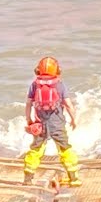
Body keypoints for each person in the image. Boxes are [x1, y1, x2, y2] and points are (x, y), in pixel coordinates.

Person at [23, 55, 81, 187]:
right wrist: (73, 120)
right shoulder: (59, 85)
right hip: (57, 124)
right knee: (65, 149)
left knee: (35, 150)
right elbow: (69, 105)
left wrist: (29, 119)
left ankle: (27, 178)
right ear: (57, 71)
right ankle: (73, 178)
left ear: (38, 71)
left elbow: (28, 104)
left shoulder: (34, 85)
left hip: (39, 124)